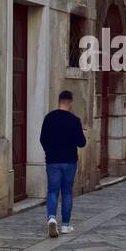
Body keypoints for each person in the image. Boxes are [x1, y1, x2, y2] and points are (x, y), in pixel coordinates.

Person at [40, 90, 86, 237]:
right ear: (70, 103)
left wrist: (49, 151)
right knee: (66, 192)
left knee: (52, 190)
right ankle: (65, 225)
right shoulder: (74, 120)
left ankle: (52, 218)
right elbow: (81, 142)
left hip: (53, 160)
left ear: (59, 102)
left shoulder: (49, 118)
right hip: (69, 161)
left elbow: (42, 139)